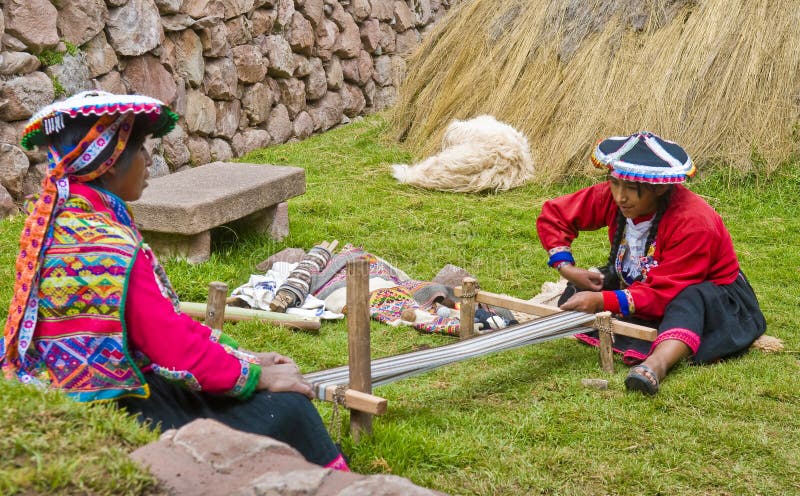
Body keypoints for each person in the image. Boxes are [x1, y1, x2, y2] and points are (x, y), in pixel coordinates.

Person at [0, 91, 349, 470]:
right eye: (141, 149)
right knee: (287, 410)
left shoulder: (55, 220)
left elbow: (158, 327)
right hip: (115, 405)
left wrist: (243, 357)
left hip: (61, 384)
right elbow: (171, 347)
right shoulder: (109, 247)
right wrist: (256, 377)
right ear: (110, 160)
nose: (150, 162)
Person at [536, 131, 766, 395]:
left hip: (705, 294)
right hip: (648, 283)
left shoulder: (695, 223)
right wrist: (566, 268)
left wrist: (602, 302)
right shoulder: (614, 196)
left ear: (660, 187)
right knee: (588, 287)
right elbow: (556, 214)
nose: (620, 197)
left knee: (687, 302)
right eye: (615, 183)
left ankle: (655, 366)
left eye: (633, 189)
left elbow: (665, 291)